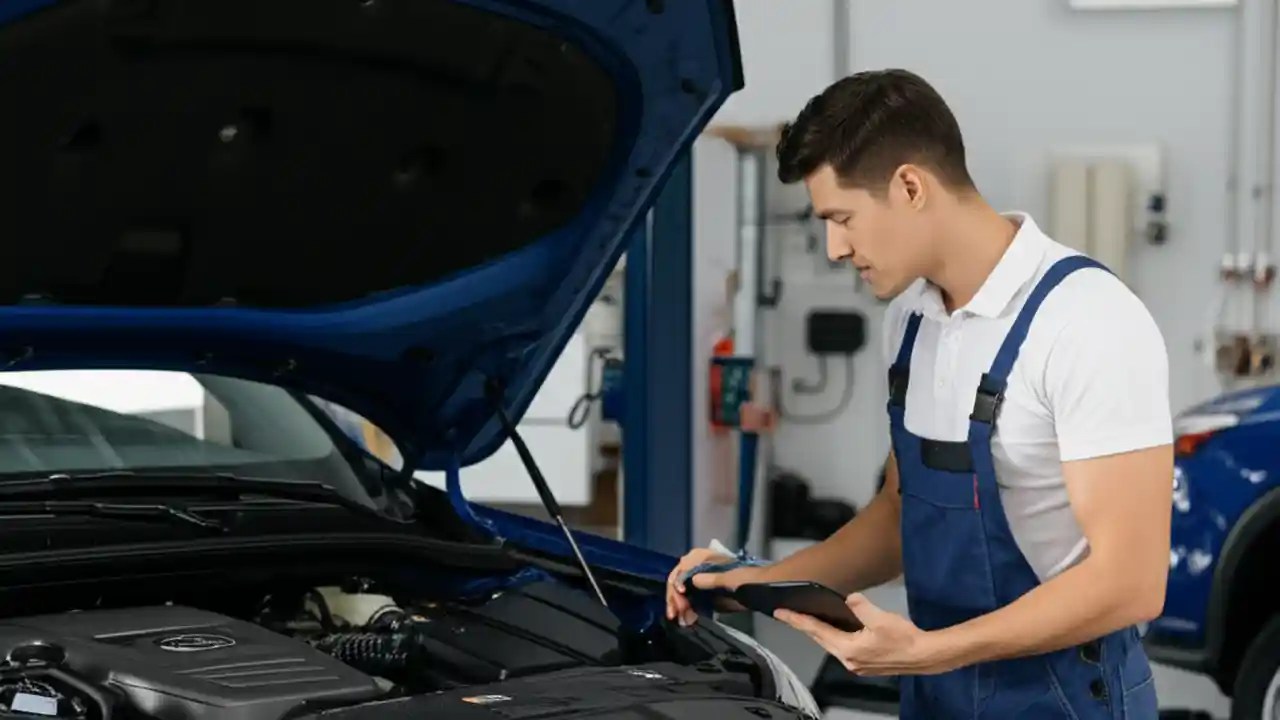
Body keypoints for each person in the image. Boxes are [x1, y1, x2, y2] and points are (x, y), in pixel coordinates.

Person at [666, 69, 1173, 719]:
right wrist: (748, 581)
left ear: (910, 186)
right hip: (939, 693)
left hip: (1066, 701)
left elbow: (1130, 584)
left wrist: (929, 652)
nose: (835, 247)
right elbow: (897, 517)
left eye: (841, 218)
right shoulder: (908, 321)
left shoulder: (1088, 321)